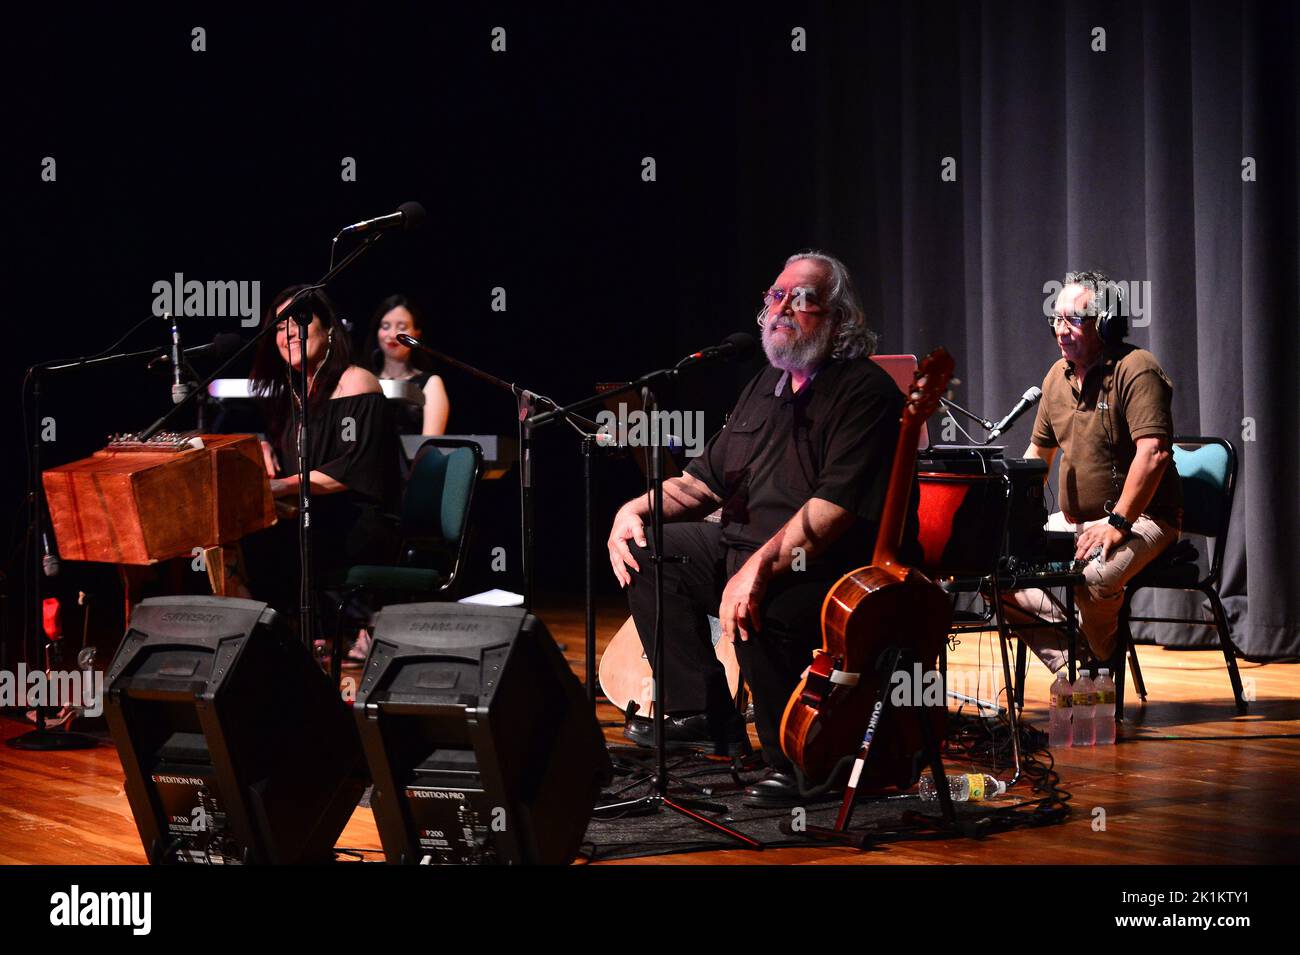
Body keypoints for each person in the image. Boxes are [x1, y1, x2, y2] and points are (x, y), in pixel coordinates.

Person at [605, 250, 919, 806]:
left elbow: (832, 512)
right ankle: (703, 713)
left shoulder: (863, 392)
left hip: (826, 565)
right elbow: (701, 484)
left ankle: (801, 764)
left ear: (839, 319)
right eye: (775, 297)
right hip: (742, 548)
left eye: (800, 300)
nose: (780, 310)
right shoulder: (762, 388)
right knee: (649, 549)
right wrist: (632, 511)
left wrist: (755, 570)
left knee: (762, 601)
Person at [1003, 271, 1182, 674]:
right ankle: (1079, 665)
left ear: (1107, 325)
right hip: (1077, 521)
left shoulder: (1137, 369)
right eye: (1056, 319)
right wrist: (1009, 522)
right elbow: (1038, 458)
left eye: (1074, 320)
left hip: (1145, 517)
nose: (1060, 330)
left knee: (1096, 576)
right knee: (992, 570)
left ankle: (1100, 662)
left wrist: (1117, 522)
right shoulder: (1056, 377)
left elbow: (1153, 453)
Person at [240, 285, 401, 652]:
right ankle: (275, 635)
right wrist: (260, 444)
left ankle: (290, 637)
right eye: (279, 327)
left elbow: (350, 470)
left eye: (298, 321)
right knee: (241, 530)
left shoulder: (354, 382)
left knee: (263, 536)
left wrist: (280, 488)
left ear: (329, 329)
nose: (288, 334)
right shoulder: (292, 392)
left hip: (360, 520)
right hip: (315, 514)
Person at [367, 294, 450, 436]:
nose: (392, 334)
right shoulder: (364, 380)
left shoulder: (430, 383)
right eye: (385, 326)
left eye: (402, 327)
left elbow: (429, 446)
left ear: (416, 334)